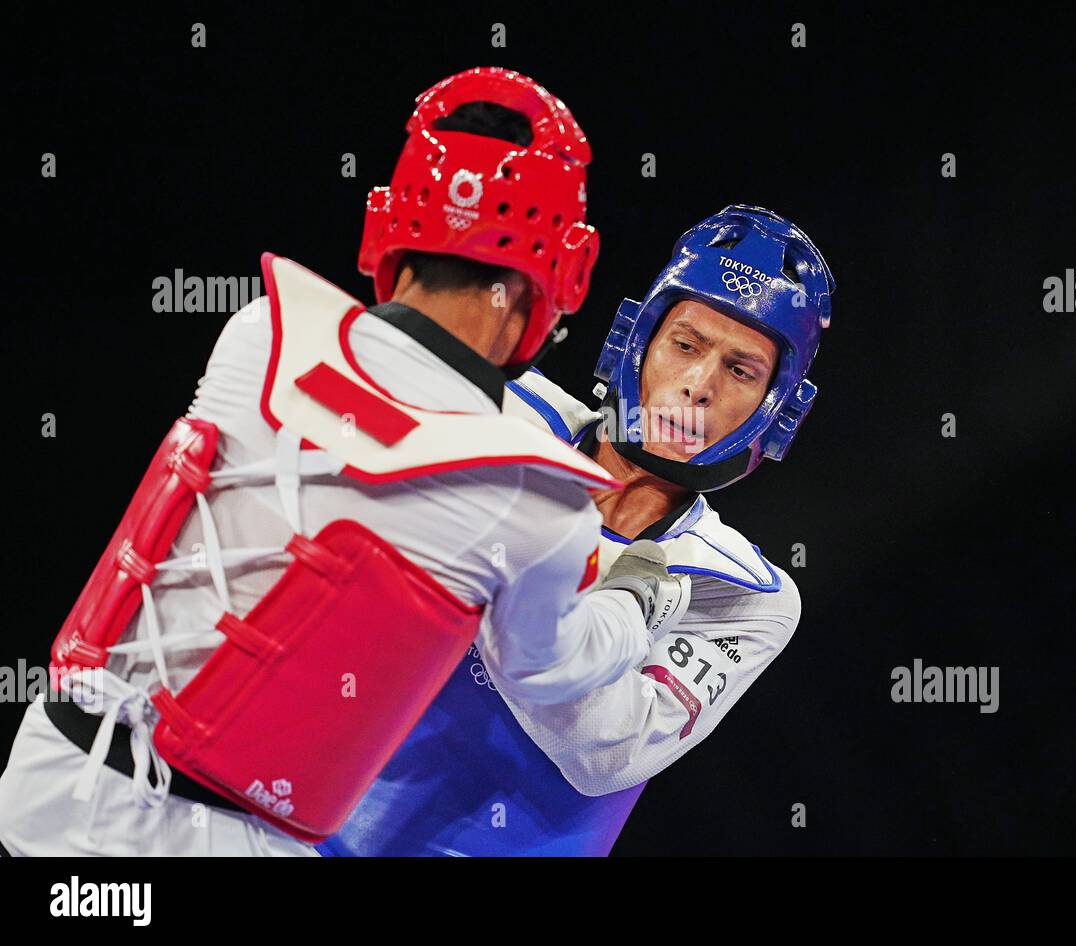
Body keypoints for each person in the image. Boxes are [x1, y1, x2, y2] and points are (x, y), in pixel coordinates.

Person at [0, 67, 684, 857]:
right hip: (209, 842)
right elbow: (552, 673)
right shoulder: (533, 493)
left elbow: (361, 451)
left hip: (45, 779)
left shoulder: (259, 333)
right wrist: (635, 601)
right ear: (562, 277)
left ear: (389, 233)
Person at [319, 204, 833, 856]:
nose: (697, 387)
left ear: (777, 411)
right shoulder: (501, 407)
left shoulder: (742, 591)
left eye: (740, 371)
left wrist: (481, 555)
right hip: (301, 829)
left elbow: (606, 751)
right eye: (685, 345)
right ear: (635, 340)